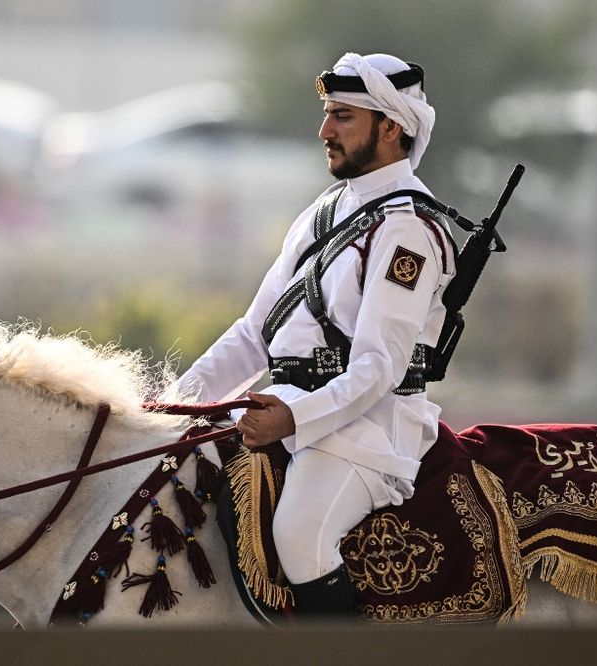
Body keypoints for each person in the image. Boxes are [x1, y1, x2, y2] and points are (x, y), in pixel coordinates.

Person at [171, 52, 455, 615]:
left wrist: (293, 419)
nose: (323, 130)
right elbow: (256, 332)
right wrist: (177, 402)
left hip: (367, 432)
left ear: (391, 126)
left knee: (300, 537)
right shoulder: (324, 212)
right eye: (327, 113)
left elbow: (379, 369)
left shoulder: (408, 229)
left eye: (343, 116)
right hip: (289, 407)